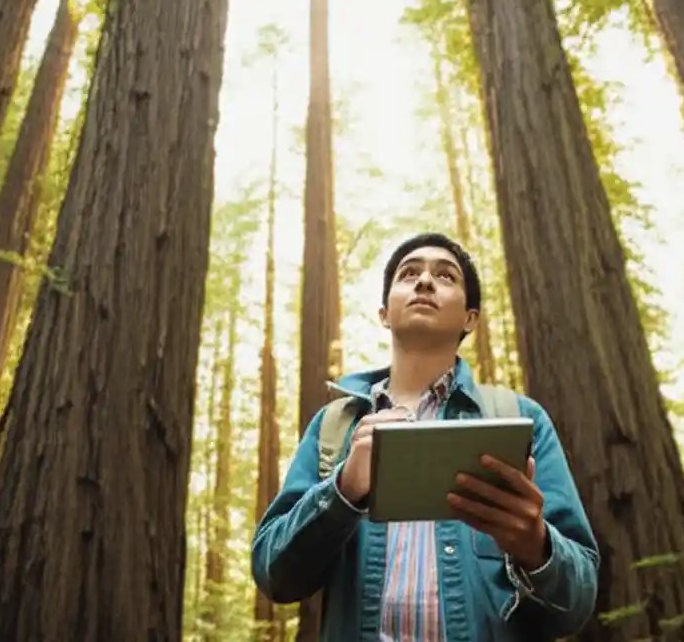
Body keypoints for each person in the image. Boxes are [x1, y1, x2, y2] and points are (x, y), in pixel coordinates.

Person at [251, 232, 599, 641]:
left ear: (470, 319)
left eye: (446, 276)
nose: (425, 281)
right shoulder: (335, 426)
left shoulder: (521, 418)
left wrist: (535, 546)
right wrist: (343, 490)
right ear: (385, 313)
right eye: (408, 273)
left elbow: (577, 604)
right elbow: (275, 576)